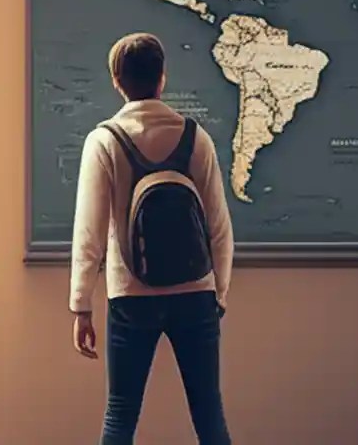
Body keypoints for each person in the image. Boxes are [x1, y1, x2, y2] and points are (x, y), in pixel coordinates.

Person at [69, 32, 235, 445]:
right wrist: (219, 294)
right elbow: (219, 226)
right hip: (196, 291)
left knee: (121, 413)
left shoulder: (103, 140)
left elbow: (88, 231)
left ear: (116, 81)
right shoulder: (195, 137)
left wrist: (82, 306)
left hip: (129, 296)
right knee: (209, 414)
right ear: (162, 78)